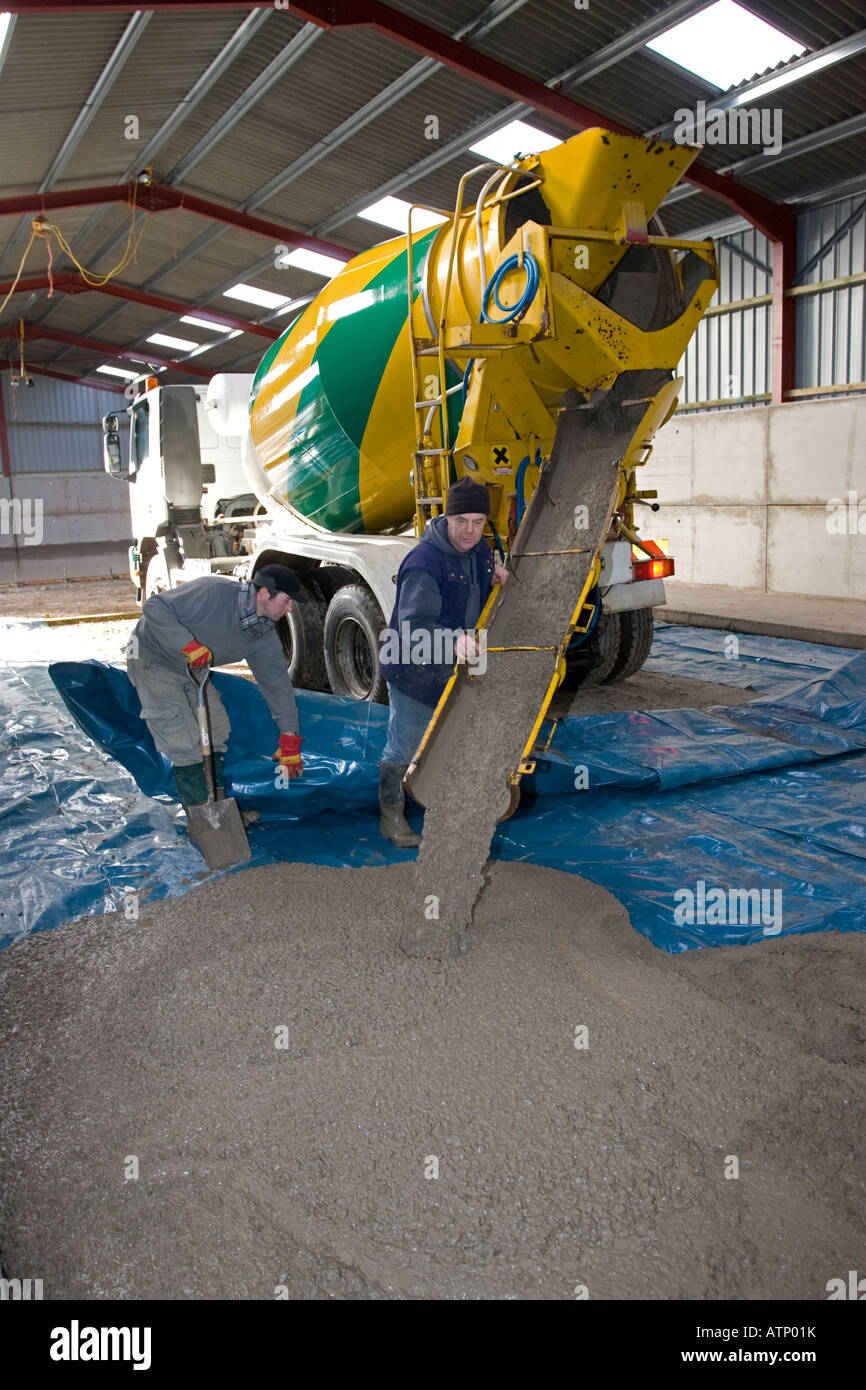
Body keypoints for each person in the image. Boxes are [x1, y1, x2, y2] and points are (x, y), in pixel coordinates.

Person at [378, 476, 509, 847]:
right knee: (405, 745)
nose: (470, 531)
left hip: (455, 663)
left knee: (456, 738)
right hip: (412, 668)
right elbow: (413, 626)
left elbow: (471, 590)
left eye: (478, 522)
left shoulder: (481, 551)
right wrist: (455, 641)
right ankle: (391, 818)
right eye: (462, 521)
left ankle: (451, 811)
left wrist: (492, 578)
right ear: (446, 518)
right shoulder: (423, 563)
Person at [126, 564, 304, 814]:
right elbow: (154, 606)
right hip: (154, 660)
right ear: (264, 593)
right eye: (286, 601)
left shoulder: (261, 633)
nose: (290, 608)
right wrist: (185, 644)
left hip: (194, 667)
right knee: (184, 742)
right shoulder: (212, 593)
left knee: (216, 730)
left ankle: (220, 814)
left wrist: (289, 736)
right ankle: (203, 821)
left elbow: (277, 686)